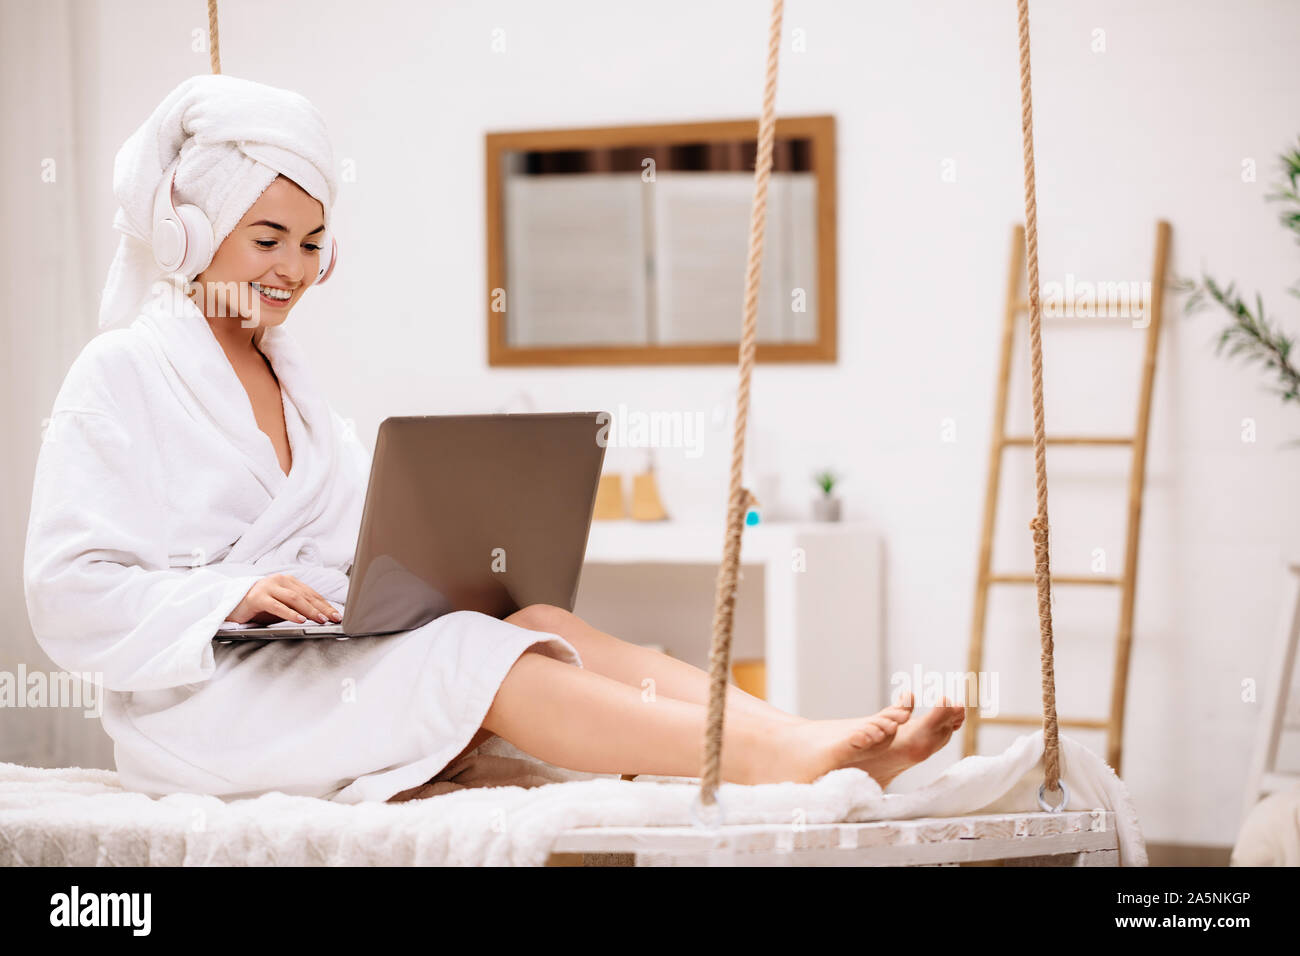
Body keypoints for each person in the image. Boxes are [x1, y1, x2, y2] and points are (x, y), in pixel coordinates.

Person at [23, 74, 964, 805]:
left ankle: (805, 734)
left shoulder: (296, 391)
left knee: (539, 625)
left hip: (311, 668)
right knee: (471, 656)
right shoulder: (122, 375)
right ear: (189, 234)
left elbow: (367, 546)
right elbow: (67, 592)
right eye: (267, 237)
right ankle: (778, 763)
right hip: (212, 704)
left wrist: (427, 579)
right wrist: (233, 593)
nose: (293, 270)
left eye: (312, 244)